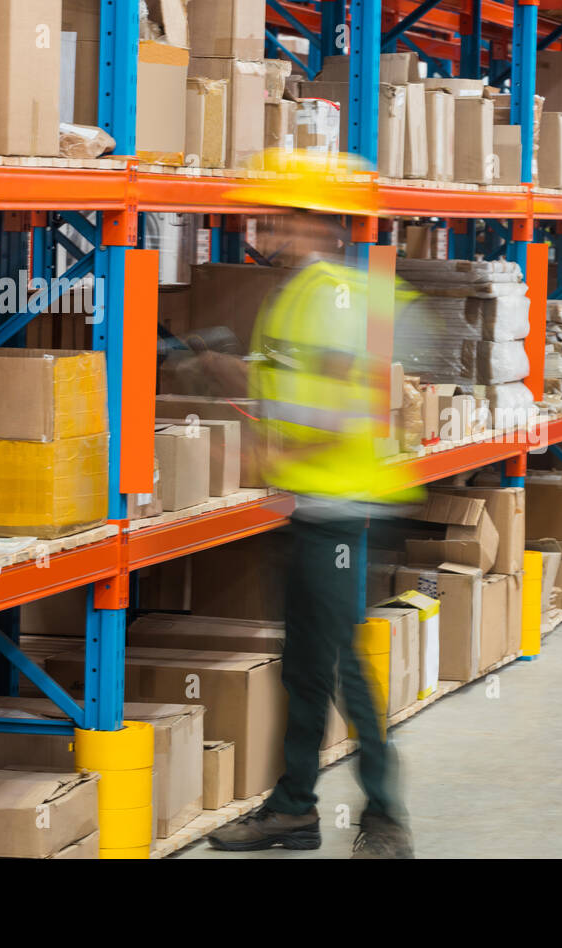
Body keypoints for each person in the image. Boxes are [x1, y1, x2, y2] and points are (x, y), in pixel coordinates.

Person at [205, 155, 421, 859]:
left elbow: (341, 400)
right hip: (309, 507)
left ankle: (384, 815)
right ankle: (294, 810)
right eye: (271, 216)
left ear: (319, 225)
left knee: (344, 666)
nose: (270, 226)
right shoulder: (293, 293)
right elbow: (287, 383)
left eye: (285, 217)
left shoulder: (329, 293)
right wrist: (222, 369)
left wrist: (271, 460)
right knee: (305, 662)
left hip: (342, 503)